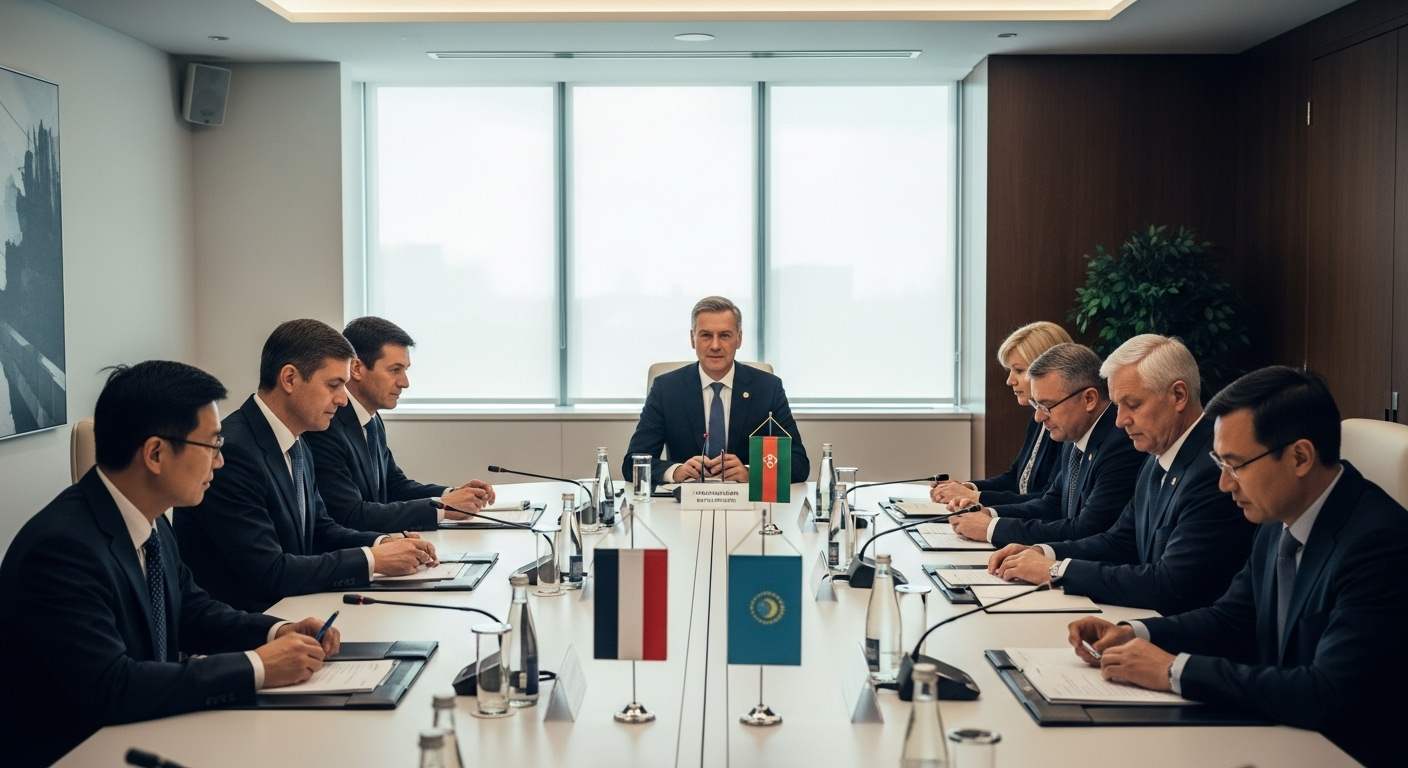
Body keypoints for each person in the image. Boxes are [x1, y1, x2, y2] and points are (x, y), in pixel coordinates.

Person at [0, 362, 339, 768]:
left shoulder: (150, 514)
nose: (220, 462)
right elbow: (114, 686)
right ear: (156, 453)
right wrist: (257, 667)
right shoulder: (61, 549)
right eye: (213, 446)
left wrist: (275, 630)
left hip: (144, 734)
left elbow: (192, 612)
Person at [1067, 366, 1407, 768]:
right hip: (1279, 735)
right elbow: (1231, 620)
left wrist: (1175, 670)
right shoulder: (1278, 517)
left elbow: (1326, 693)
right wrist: (1133, 633)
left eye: (1235, 464)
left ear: (1300, 456)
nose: (1224, 484)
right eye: (1219, 462)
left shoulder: (1379, 544)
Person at [174, 319, 438, 612]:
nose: (341, 399)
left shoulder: (296, 439)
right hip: (253, 627)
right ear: (289, 379)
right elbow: (268, 572)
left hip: (296, 608)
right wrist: (372, 560)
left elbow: (320, 530)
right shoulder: (235, 451)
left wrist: (383, 543)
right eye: (334, 385)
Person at [988, 334, 1255, 614]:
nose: (1120, 420)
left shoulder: (1213, 472)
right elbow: (1119, 541)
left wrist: (1056, 570)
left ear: (1178, 395)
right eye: (1118, 405)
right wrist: (1043, 552)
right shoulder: (1156, 457)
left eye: (1133, 404)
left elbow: (1169, 586)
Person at [302, 316, 497, 533]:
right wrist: (442, 508)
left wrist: (451, 493)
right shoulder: (325, 424)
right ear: (356, 368)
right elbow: (350, 515)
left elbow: (395, 486)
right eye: (395, 370)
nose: (405, 382)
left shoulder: (371, 418)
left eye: (405, 370)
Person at [948, 343, 1142, 547]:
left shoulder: (1122, 444)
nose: (1039, 417)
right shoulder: (1075, 433)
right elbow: (1052, 504)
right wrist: (988, 512)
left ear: (1089, 399)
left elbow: (1087, 529)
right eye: (1036, 405)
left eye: (1047, 406)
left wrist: (991, 528)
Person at [622, 296, 808, 485]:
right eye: (706, 335)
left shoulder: (768, 388)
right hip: (683, 505)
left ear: (739, 339)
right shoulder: (666, 389)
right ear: (693, 339)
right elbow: (633, 462)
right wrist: (675, 471)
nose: (715, 345)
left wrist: (751, 472)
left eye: (725, 335)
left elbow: (799, 463)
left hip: (747, 505)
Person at [931, 321, 1070, 507]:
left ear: (1048, 370)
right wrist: (967, 488)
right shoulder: (1038, 417)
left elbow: (1049, 502)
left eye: (1019, 370)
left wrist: (975, 498)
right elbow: (1014, 479)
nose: (1010, 381)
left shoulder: (1068, 425)